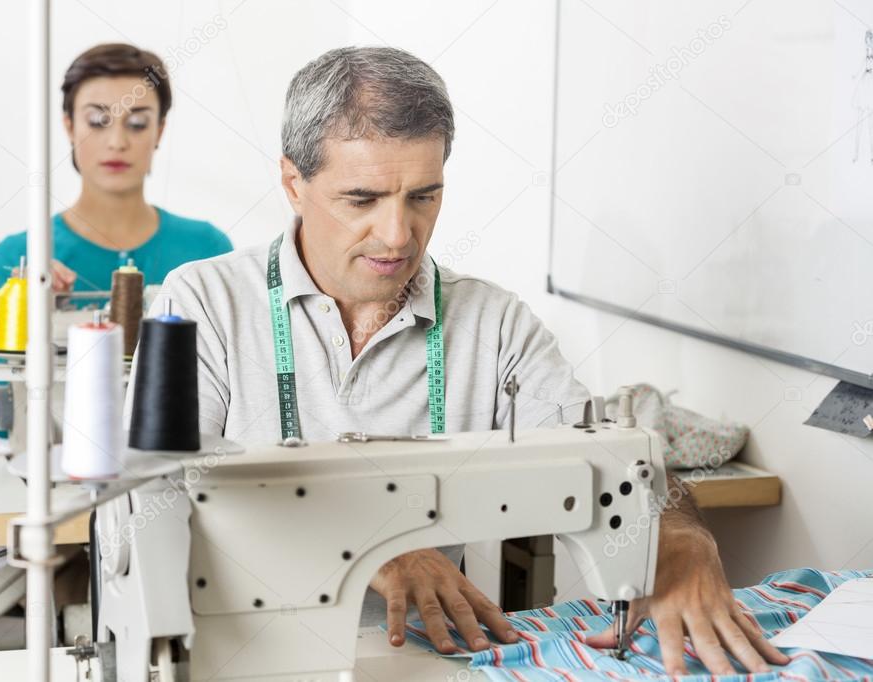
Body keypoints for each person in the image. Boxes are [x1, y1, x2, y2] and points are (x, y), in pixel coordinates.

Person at [129, 46, 790, 676]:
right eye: (362, 200)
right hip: (241, 651)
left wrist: (680, 538)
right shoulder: (205, 303)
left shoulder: (494, 325)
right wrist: (375, 549)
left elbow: (610, 465)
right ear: (292, 183)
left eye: (423, 196)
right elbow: (162, 494)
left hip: (421, 652)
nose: (398, 235)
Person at [0, 43, 232, 436]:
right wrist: (34, 321)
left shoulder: (207, 251)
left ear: (160, 130)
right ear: (69, 126)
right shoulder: (17, 260)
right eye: (98, 120)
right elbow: (1, 418)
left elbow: (233, 398)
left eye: (137, 123)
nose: (117, 141)